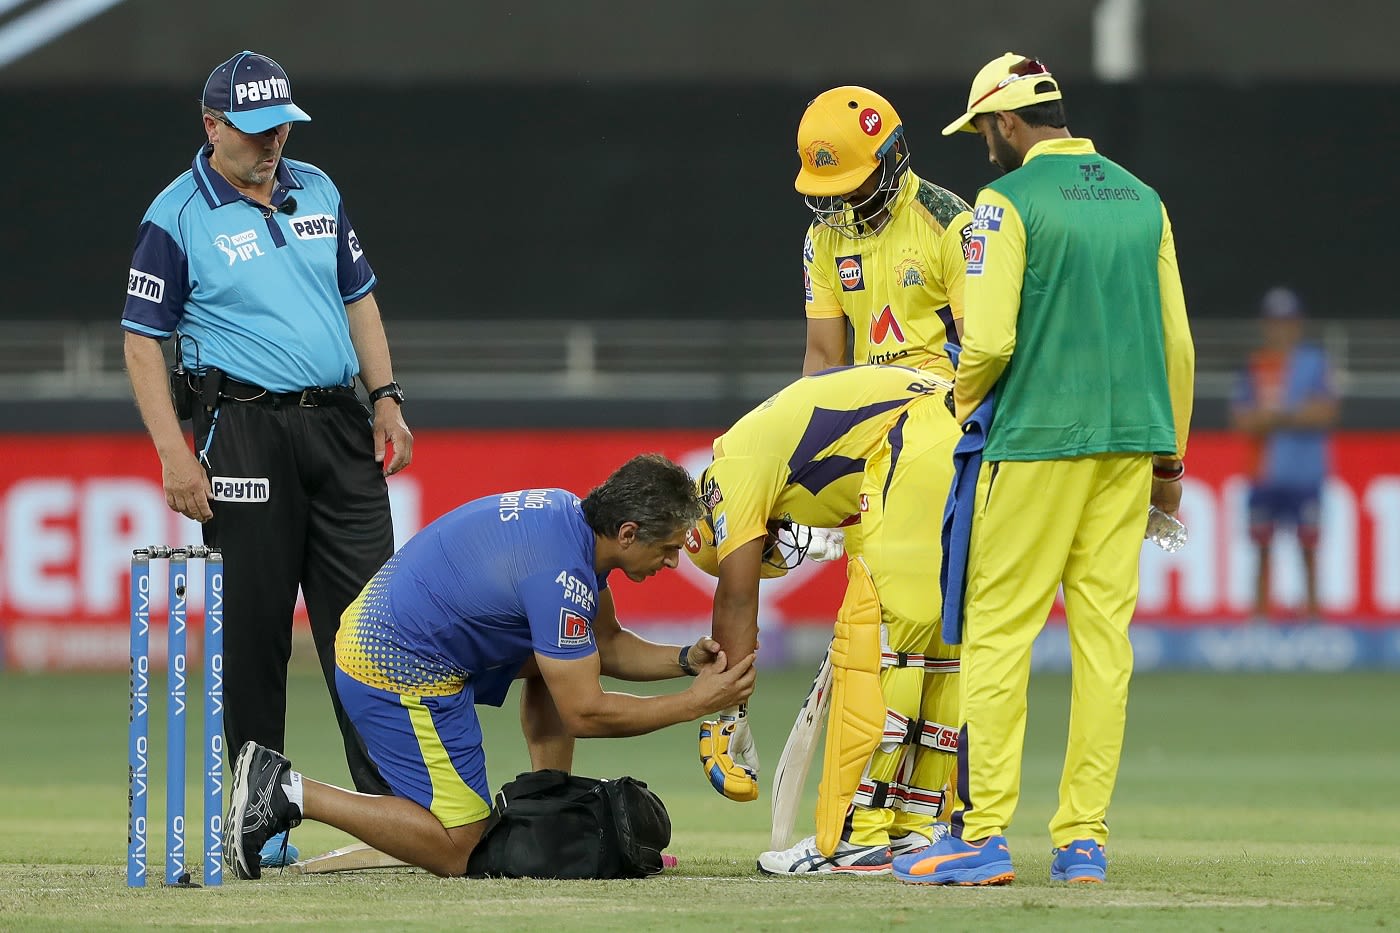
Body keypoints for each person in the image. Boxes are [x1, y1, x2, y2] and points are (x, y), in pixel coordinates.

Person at [892, 53, 1195, 886]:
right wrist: (1170, 459)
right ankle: (1082, 842)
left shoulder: (1006, 202)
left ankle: (984, 834)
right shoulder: (1143, 201)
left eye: (985, 129)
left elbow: (987, 341)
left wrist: (960, 401)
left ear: (1007, 123)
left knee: (999, 636)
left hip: (1034, 442)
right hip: (1130, 446)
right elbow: (1177, 343)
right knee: (1105, 646)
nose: (986, 144)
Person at [121, 50, 413, 866]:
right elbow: (142, 342)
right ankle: (264, 820)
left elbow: (360, 299)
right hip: (242, 430)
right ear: (212, 126)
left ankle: (396, 814)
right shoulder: (177, 214)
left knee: (372, 623)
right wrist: (176, 453)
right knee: (252, 634)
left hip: (338, 426)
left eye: (282, 124)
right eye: (255, 130)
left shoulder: (317, 188)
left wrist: (386, 396)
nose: (273, 141)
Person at [222, 454, 756, 879]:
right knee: (460, 845)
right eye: (665, 549)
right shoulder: (560, 577)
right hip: (393, 669)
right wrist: (694, 705)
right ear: (628, 532)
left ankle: (551, 797)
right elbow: (584, 714)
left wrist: (684, 661)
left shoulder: (571, 521)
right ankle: (289, 791)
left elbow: (604, 643)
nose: (672, 563)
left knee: (564, 660)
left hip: (394, 633)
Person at [683, 365, 962, 875]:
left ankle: (855, 836)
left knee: (877, 643)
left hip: (916, 446)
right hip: (964, 427)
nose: (774, 545)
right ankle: (915, 825)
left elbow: (738, 596)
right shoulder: (773, 441)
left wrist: (727, 713)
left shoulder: (728, 472)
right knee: (936, 651)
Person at [796, 86, 974, 378]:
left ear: (892, 153)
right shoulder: (821, 238)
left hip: (941, 397)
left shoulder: (951, 223)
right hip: (872, 403)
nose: (845, 193)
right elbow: (824, 362)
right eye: (834, 185)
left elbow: (977, 350)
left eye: (854, 177)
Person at [1230, 287, 1338, 620]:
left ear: (1298, 324)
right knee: (1261, 547)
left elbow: (1326, 412)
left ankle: (1314, 617)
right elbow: (1242, 419)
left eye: (1286, 321)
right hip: (1264, 473)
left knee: (1308, 547)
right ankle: (1260, 618)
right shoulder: (1255, 365)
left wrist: (1279, 416)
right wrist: (1279, 416)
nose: (1280, 329)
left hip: (1305, 473)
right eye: (1274, 321)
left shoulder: (1314, 362)